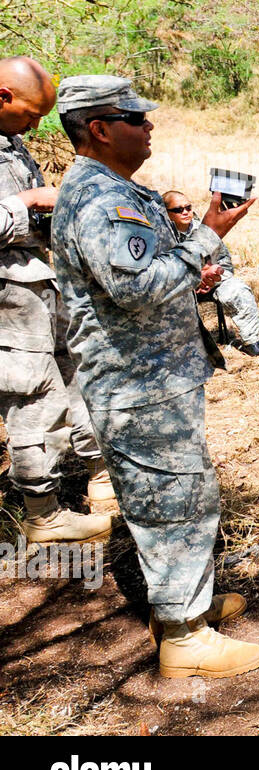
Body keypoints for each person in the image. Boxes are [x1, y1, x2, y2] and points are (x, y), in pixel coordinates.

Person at [52, 75, 259, 679]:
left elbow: (148, 265)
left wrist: (193, 240)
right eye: (136, 119)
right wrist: (208, 236)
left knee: (181, 494)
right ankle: (184, 637)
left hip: (155, 378)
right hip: (138, 385)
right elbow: (139, 288)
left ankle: (184, 604)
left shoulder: (116, 190)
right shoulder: (100, 202)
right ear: (99, 129)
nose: (149, 128)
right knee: (172, 501)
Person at [0, 56, 115, 545]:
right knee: (32, 393)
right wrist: (27, 204)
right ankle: (42, 513)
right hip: (9, 296)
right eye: (30, 113)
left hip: (41, 284)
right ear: (3, 96)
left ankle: (102, 478)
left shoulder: (11, 140)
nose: (36, 123)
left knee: (76, 373)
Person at [163, 191, 259, 355]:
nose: (185, 212)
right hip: (178, 288)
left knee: (238, 290)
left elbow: (225, 262)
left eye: (188, 208)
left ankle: (252, 341)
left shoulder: (205, 230)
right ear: (165, 212)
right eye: (178, 209)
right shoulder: (160, 235)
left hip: (212, 284)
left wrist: (213, 279)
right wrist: (192, 282)